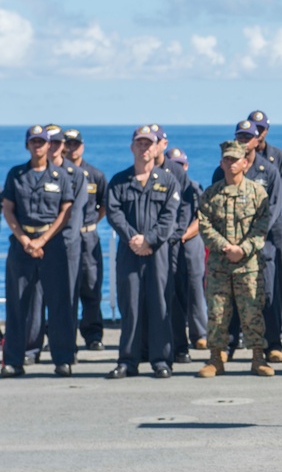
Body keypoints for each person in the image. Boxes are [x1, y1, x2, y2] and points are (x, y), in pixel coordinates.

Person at [105, 125, 182, 379]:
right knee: (131, 305)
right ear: (132, 147)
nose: (144, 148)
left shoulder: (169, 181)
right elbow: (113, 213)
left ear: (157, 146)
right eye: (140, 143)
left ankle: (161, 360)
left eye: (149, 143)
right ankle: (128, 360)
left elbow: (169, 217)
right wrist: (134, 239)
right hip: (129, 251)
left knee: (160, 305)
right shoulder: (119, 181)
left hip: (158, 251)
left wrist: (148, 240)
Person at [1, 125, 75, 377]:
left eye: (42, 141)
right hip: (22, 245)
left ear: (49, 145)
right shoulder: (16, 174)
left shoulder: (60, 176)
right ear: (27, 145)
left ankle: (62, 359)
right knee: (17, 305)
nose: (38, 146)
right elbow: (8, 209)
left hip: (51, 245)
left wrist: (42, 240)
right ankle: (13, 361)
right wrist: (25, 240)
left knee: (58, 305)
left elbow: (66, 212)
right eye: (33, 141)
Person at [196, 140, 273, 378]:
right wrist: (224, 247)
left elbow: (262, 225)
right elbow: (204, 224)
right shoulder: (211, 194)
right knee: (217, 314)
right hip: (219, 265)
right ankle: (215, 359)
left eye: (235, 159)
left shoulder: (257, 193)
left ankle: (258, 358)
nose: (231, 164)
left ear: (245, 163)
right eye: (226, 159)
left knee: (252, 312)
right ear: (221, 163)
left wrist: (244, 248)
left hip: (248, 266)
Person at [213, 120, 282, 364]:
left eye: (248, 137)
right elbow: (212, 208)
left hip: (262, 243)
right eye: (240, 137)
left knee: (266, 295)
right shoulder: (221, 169)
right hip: (230, 248)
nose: (244, 141)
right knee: (230, 298)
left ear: (257, 140)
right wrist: (230, 245)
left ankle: (272, 345)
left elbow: (273, 208)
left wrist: (250, 242)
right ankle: (229, 346)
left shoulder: (269, 171)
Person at [247, 110, 282, 350]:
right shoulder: (240, 157)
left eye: (261, 129)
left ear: (266, 130)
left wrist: (263, 226)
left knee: (281, 280)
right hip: (248, 231)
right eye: (253, 129)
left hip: (274, 227)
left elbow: (280, 195)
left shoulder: (278, 157)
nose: (257, 133)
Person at [64, 128, 109, 352]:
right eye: (68, 144)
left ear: (82, 146)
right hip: (62, 238)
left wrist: (89, 224)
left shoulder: (95, 175)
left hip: (88, 237)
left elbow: (105, 205)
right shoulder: (57, 173)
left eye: (75, 144)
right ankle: (63, 336)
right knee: (62, 289)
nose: (71, 148)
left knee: (91, 287)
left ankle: (93, 335)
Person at [164, 145, 209, 357]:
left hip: (190, 241)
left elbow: (202, 218)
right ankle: (175, 335)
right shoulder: (162, 186)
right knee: (172, 289)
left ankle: (200, 334)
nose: (176, 169)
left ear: (186, 165)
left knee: (195, 287)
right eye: (172, 165)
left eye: (180, 165)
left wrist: (183, 235)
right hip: (168, 243)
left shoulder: (194, 187)